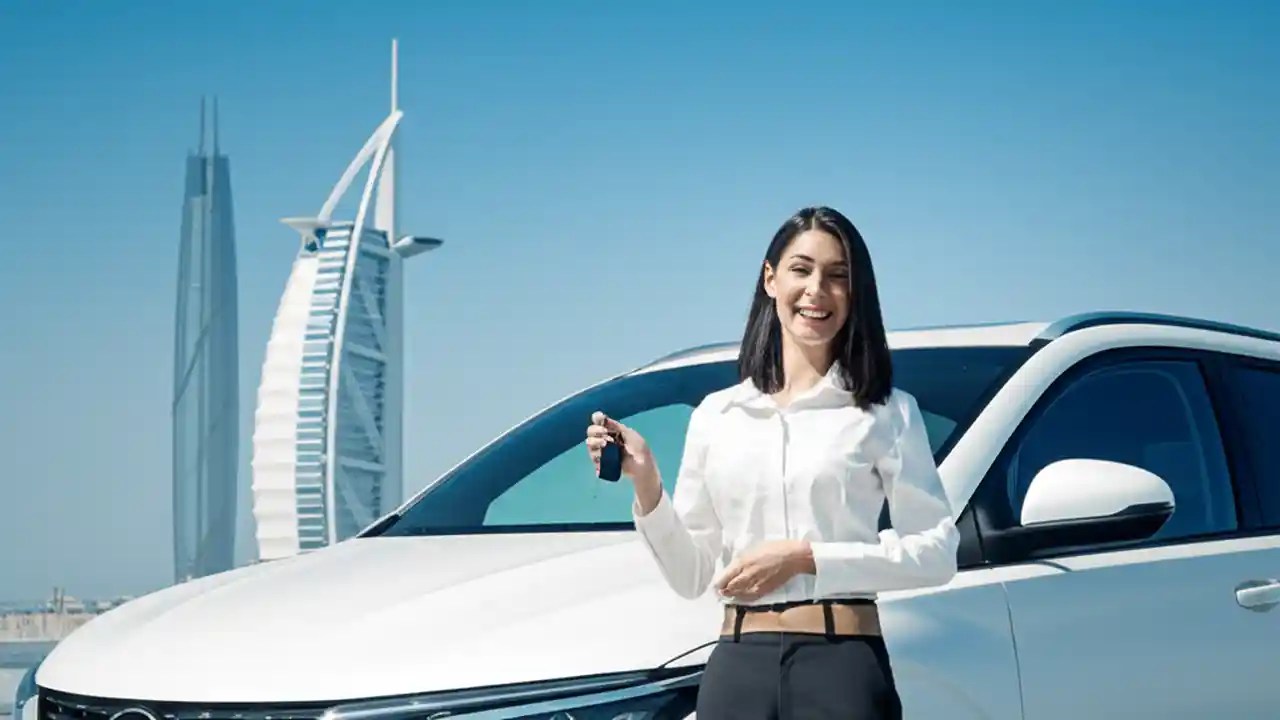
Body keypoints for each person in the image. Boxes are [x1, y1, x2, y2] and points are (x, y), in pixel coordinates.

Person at [585, 206, 960, 719]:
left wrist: (808, 558)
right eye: (801, 270)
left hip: (842, 667)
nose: (816, 290)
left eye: (837, 276)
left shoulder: (886, 413)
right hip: (737, 668)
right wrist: (647, 484)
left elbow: (937, 552)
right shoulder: (718, 416)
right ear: (770, 279)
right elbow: (693, 575)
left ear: (856, 293)